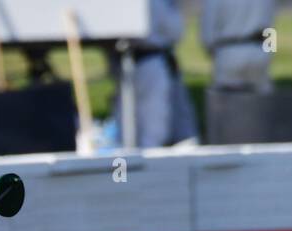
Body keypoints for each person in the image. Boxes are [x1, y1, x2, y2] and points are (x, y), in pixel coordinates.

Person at [113, 0, 198, 148]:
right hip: (148, 60)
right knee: (151, 123)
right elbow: (175, 30)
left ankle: (138, 155)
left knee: (137, 121)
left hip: (132, 61)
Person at [202, 0, 275, 94]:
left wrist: (217, 54)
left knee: (228, 103)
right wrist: (268, 53)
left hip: (227, 53)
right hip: (259, 52)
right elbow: (270, 27)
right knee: (260, 103)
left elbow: (208, 35)